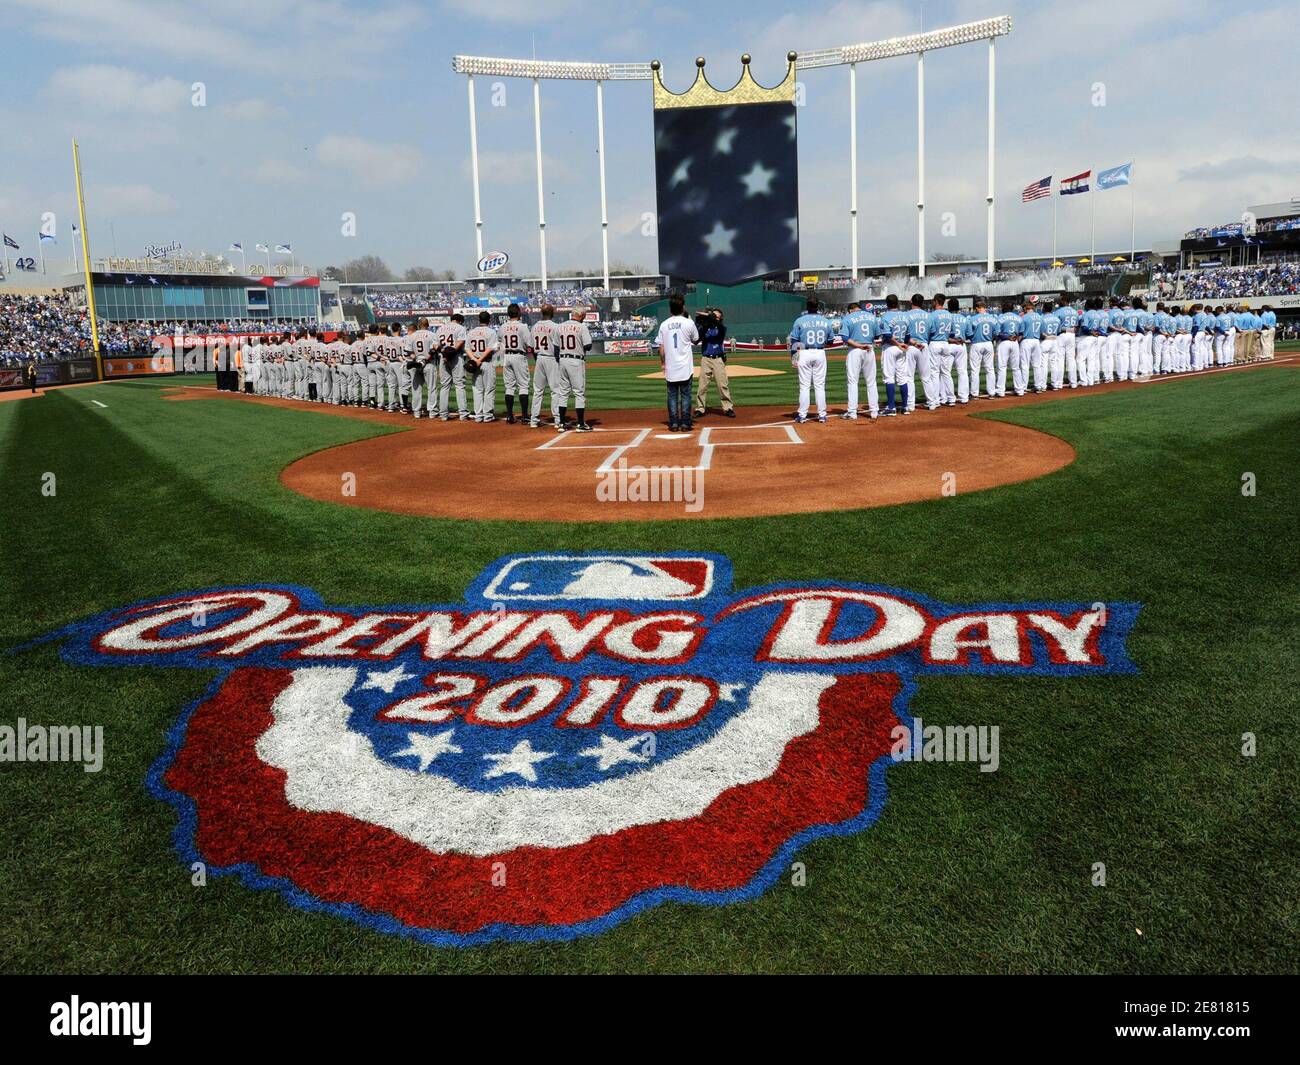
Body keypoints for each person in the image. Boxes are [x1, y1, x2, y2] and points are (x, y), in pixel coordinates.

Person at [656, 294, 699, 432]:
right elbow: (696, 339)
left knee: (672, 396)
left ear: (670, 309)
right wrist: (691, 320)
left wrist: (663, 364)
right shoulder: (688, 323)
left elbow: (661, 348)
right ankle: (685, 423)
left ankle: (674, 423)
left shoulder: (664, 324)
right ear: (683, 307)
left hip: (671, 366)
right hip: (685, 366)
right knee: (686, 395)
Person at [788, 297, 831, 424]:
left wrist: (794, 358)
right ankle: (822, 415)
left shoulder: (799, 320)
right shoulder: (825, 320)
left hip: (804, 352)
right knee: (819, 386)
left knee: (804, 386)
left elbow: (794, 341)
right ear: (818, 306)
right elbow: (831, 340)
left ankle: (802, 415)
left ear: (807, 307)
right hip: (820, 352)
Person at [555, 305, 594, 432]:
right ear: (581, 315)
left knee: (563, 392)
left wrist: (560, 360)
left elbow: (555, 348)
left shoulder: (560, 326)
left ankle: (561, 423)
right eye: (584, 315)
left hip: (562, 360)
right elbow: (588, 346)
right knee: (579, 392)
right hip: (576, 360)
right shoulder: (582, 327)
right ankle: (581, 424)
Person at [839, 300, 879, 420]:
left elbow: (845, 337)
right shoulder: (872, 317)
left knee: (852, 381)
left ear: (850, 310)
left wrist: (858, 345)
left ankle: (852, 412)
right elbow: (877, 336)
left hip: (855, 350)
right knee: (871, 382)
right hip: (869, 349)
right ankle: (874, 411)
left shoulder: (848, 318)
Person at [693, 307, 734, 418]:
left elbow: (720, 329)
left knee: (722, 385)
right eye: (712, 315)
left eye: (716, 316)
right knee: (702, 386)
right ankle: (700, 408)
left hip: (718, 359)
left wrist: (710, 317)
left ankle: (728, 408)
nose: (713, 317)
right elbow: (696, 341)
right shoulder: (706, 328)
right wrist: (702, 325)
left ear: (720, 319)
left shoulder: (721, 328)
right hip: (706, 359)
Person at [498, 303, 532, 424]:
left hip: (506, 356)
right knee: (523, 385)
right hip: (518, 355)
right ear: (518, 313)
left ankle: (509, 416)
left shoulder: (502, 327)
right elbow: (530, 344)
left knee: (509, 386)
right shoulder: (523, 326)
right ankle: (524, 416)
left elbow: (499, 343)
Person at [529, 304, 561, 429]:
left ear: (542, 313)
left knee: (537, 390)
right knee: (555, 390)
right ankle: (558, 420)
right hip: (551, 358)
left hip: (539, 358)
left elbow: (531, 348)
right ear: (552, 313)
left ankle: (534, 420)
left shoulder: (535, 326)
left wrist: (537, 360)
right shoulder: (555, 327)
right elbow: (557, 347)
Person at [465, 310, 500, 423]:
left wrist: (474, 360)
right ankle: (488, 415)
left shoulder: (471, 332)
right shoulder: (491, 332)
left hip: (475, 363)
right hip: (486, 363)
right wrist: (480, 360)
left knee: (477, 389)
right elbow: (490, 348)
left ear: (479, 319)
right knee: (489, 389)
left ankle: (479, 415)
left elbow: (467, 348)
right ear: (489, 320)